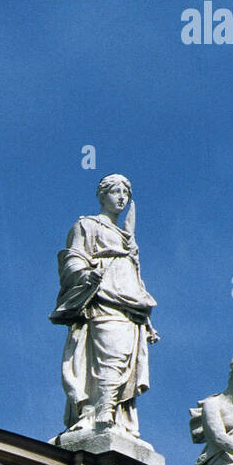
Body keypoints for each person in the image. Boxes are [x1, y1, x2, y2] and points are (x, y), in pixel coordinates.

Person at [51, 174, 158, 435]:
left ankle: (111, 413)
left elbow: (136, 282)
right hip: (103, 301)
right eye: (116, 192)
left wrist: (148, 322)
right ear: (102, 195)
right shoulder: (87, 225)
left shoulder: (127, 238)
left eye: (126, 194)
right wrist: (86, 275)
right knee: (108, 356)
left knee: (123, 360)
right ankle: (100, 412)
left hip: (130, 308)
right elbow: (72, 259)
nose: (122, 198)